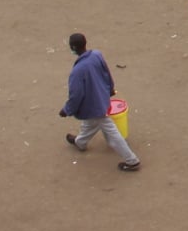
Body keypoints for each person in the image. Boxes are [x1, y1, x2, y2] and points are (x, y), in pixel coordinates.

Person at [58, 32, 140, 171]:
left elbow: (76, 95)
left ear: (73, 48)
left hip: (93, 106)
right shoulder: (96, 55)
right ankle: (80, 142)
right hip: (102, 99)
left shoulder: (77, 71)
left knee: (111, 133)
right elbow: (107, 73)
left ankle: (132, 160)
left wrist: (67, 110)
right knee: (90, 123)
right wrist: (110, 89)